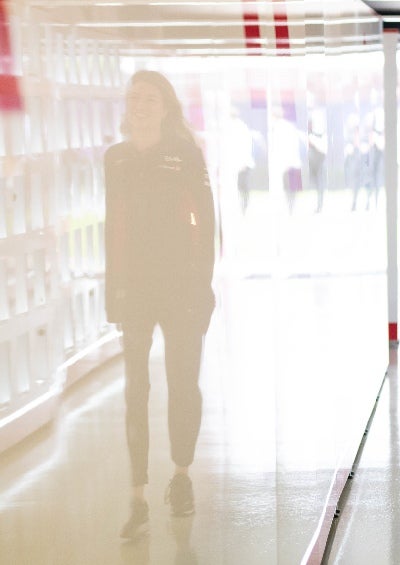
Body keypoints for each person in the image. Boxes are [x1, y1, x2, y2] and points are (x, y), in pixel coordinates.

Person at [104, 70, 216, 539]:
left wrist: (203, 286)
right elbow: (112, 226)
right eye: (134, 98)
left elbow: (206, 223)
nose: (140, 105)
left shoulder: (185, 154)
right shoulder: (116, 158)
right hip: (134, 290)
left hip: (181, 288)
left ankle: (181, 476)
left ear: (166, 106)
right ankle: (137, 497)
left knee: (182, 383)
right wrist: (113, 291)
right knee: (136, 390)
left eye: (150, 98)